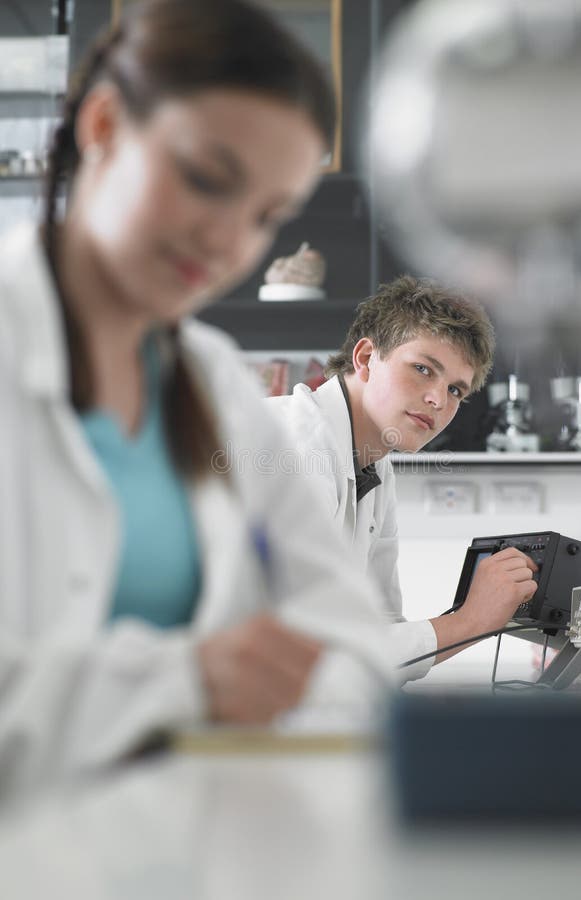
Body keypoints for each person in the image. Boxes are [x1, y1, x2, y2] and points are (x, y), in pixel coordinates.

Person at [0, 0, 390, 797]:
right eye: (207, 179)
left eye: (265, 217)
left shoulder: (214, 382)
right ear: (104, 125)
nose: (228, 242)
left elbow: (352, 640)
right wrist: (182, 683)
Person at [266, 276, 538, 680]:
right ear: (365, 358)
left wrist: (473, 618)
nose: (438, 400)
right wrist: (470, 622)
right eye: (423, 369)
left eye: (456, 391)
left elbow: (382, 626)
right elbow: (299, 649)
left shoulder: (375, 466)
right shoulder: (296, 443)